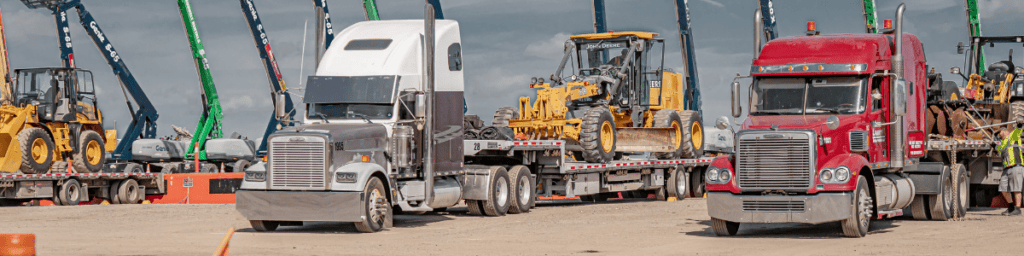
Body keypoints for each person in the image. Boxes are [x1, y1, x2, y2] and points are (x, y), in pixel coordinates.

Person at [997, 121, 1024, 216]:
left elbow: (1018, 130)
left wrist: (1020, 124)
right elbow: (998, 150)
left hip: (1016, 166)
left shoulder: (1013, 136)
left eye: (999, 132)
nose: (998, 135)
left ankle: (1018, 209)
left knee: (1016, 189)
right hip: (1006, 169)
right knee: (1003, 188)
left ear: (1005, 131)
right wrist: (991, 144)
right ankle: (1011, 207)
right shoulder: (1003, 143)